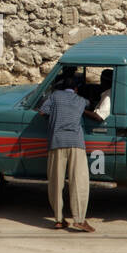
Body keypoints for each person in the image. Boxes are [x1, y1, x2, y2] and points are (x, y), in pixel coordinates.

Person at [39, 73, 97, 232]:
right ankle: (79, 220)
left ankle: (58, 219)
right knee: (79, 181)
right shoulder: (80, 100)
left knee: (56, 182)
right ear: (76, 89)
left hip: (56, 141)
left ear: (62, 88)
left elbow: (42, 112)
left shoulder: (55, 96)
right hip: (76, 143)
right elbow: (89, 105)